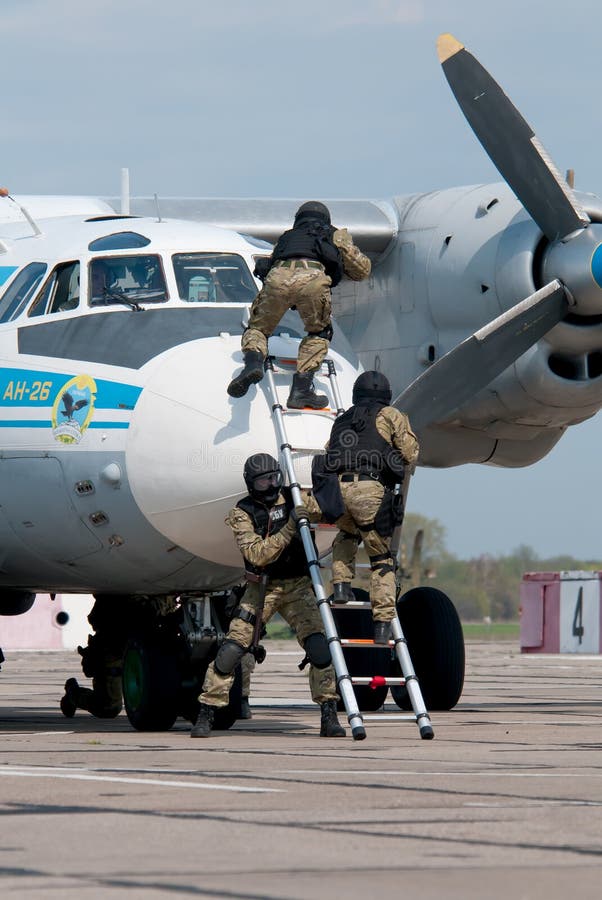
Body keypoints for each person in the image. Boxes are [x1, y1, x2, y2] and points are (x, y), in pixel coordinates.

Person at [191, 452, 346, 739]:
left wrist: (328, 478)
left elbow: (329, 509)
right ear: (251, 484)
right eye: (264, 481)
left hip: (298, 585)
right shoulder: (242, 513)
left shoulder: (294, 498)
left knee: (319, 648)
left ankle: (329, 713)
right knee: (231, 651)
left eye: (274, 478)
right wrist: (290, 526)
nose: (271, 485)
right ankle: (207, 711)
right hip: (262, 587)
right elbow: (257, 555)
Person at [227, 201, 371, 409]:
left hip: (278, 278)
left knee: (257, 328)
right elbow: (362, 270)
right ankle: (301, 391)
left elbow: (270, 262)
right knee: (319, 333)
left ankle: (252, 364)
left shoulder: (288, 237)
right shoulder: (335, 234)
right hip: (312, 279)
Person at [321, 371, 419, 645]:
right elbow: (411, 453)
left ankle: (341, 586)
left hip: (337, 492)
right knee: (381, 559)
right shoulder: (390, 415)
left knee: (347, 534)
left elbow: (329, 450)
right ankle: (382, 626)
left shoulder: (342, 419)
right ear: (386, 396)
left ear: (356, 394)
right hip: (369, 489)